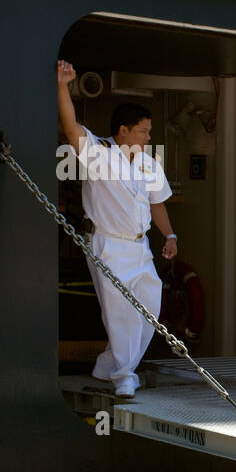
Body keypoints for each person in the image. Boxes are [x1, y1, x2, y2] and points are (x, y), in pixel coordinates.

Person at [56, 60, 177, 398]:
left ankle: (109, 362)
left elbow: (157, 203)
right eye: (143, 131)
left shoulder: (149, 162)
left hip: (140, 247)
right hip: (108, 245)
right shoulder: (100, 153)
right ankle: (124, 375)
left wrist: (170, 235)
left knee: (149, 308)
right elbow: (71, 129)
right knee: (121, 312)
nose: (148, 136)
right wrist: (63, 86)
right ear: (123, 130)